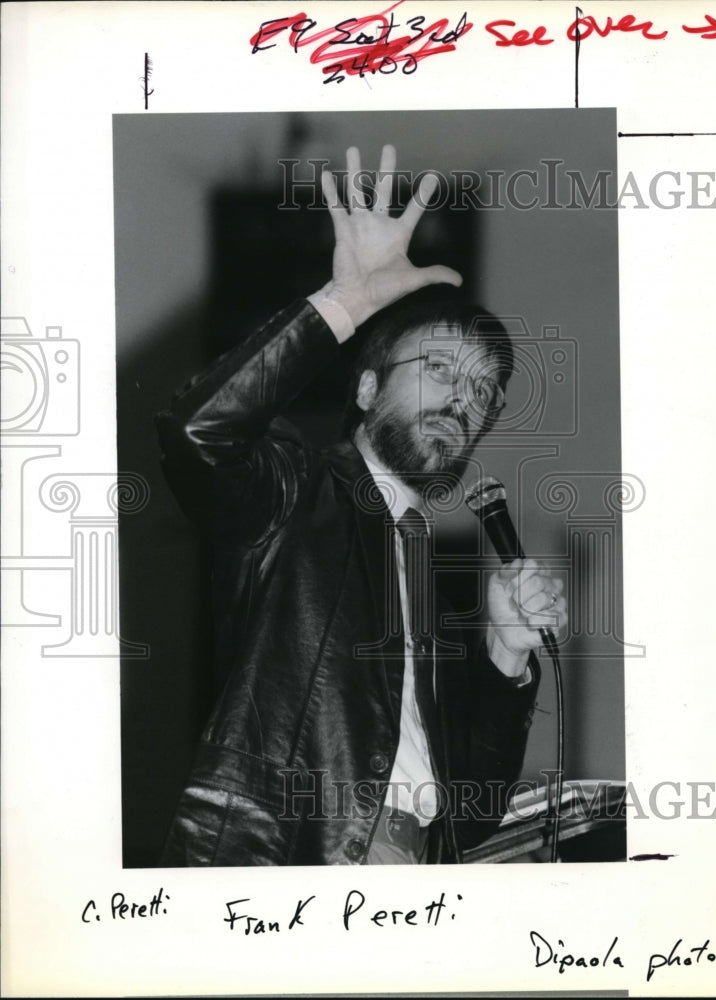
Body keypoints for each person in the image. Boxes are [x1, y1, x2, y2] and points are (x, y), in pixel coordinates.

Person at [157, 145, 567, 866]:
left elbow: (469, 819)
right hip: (283, 860)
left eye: (481, 395)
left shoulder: (423, 571)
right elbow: (199, 433)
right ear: (368, 389)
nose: (460, 401)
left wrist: (505, 653)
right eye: (439, 368)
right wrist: (344, 305)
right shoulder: (295, 492)